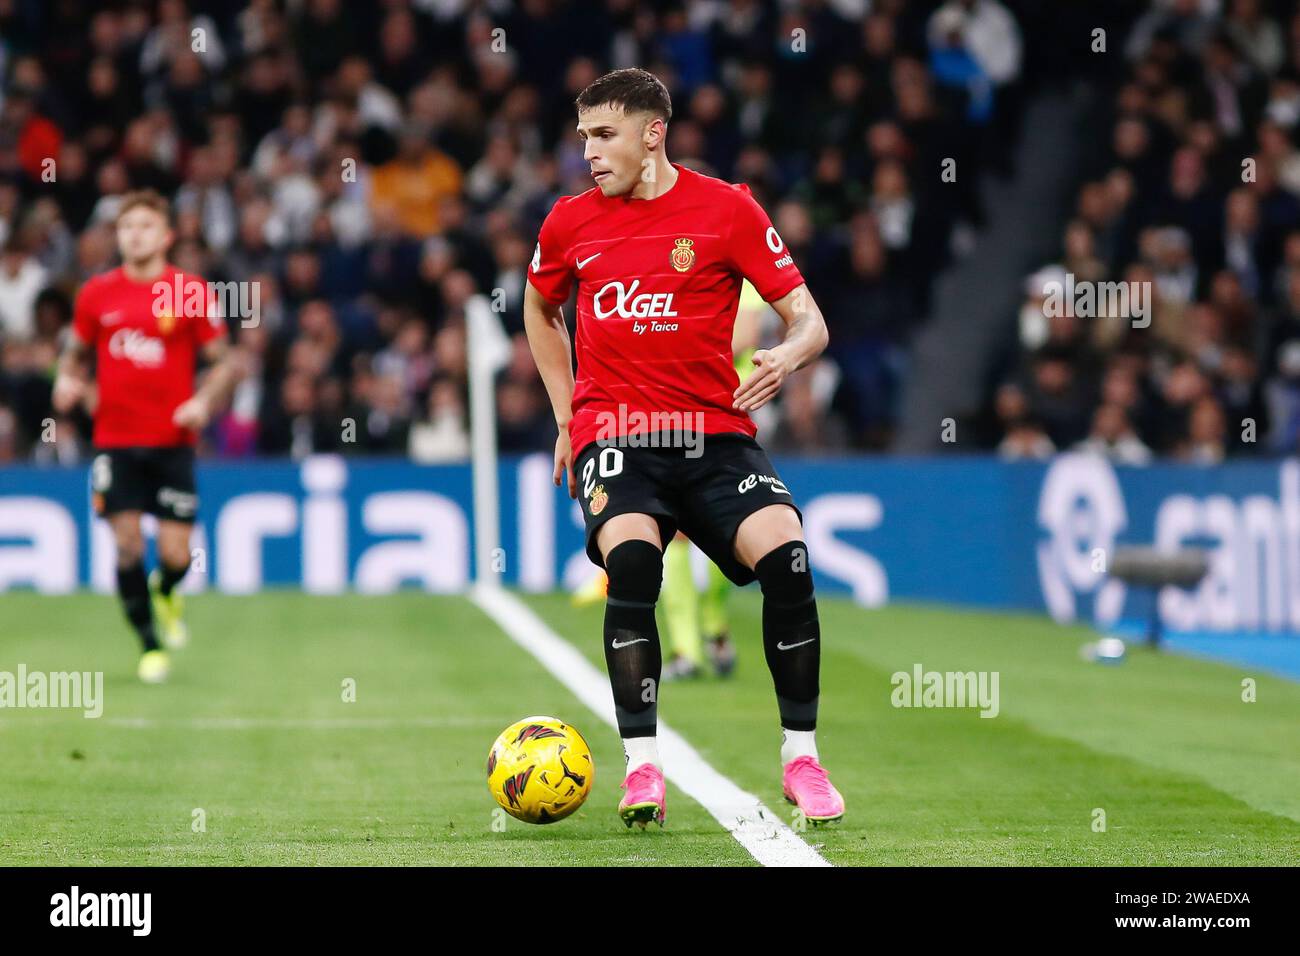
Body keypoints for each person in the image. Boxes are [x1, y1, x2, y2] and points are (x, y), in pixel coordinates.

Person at [523, 69, 844, 828]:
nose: (590, 154)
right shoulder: (569, 224)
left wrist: (788, 357)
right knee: (634, 562)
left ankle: (802, 757)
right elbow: (540, 309)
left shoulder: (727, 210)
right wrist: (568, 415)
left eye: (605, 136)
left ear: (653, 132)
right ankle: (643, 768)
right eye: (583, 139)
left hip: (713, 433)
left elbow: (810, 320)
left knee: (789, 559)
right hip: (617, 434)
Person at [53, 190, 242, 683]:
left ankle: (168, 589)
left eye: (144, 226)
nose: (134, 235)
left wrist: (203, 401)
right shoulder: (96, 294)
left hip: (172, 444)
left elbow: (225, 364)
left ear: (166, 236)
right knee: (127, 545)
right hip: (114, 441)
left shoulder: (189, 291)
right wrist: (66, 381)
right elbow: (73, 355)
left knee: (177, 555)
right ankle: (149, 645)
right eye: (126, 227)